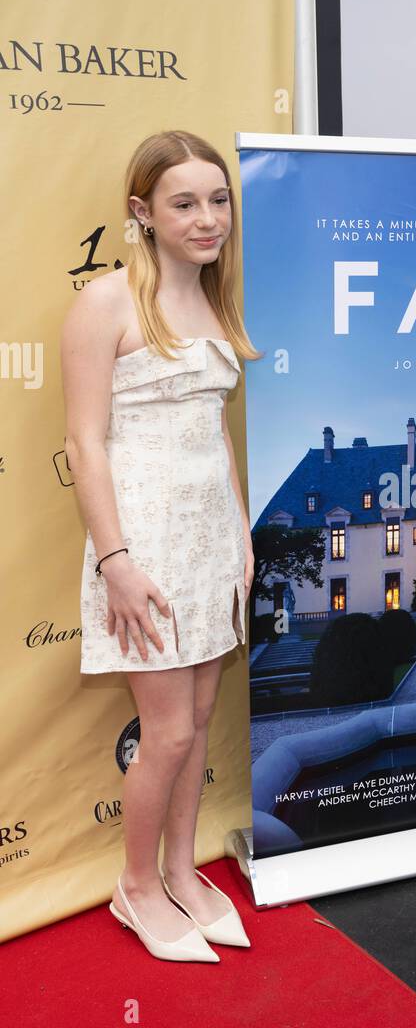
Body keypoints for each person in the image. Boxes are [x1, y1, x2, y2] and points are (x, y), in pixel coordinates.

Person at [62, 130, 264, 959]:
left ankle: (181, 871)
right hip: (139, 546)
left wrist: (242, 531)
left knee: (204, 715)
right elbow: (84, 440)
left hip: (211, 538)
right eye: (185, 203)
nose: (207, 218)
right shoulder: (104, 303)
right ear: (142, 212)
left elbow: (214, 430)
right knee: (170, 732)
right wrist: (115, 562)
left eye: (218, 200)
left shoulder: (218, 301)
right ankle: (135, 887)